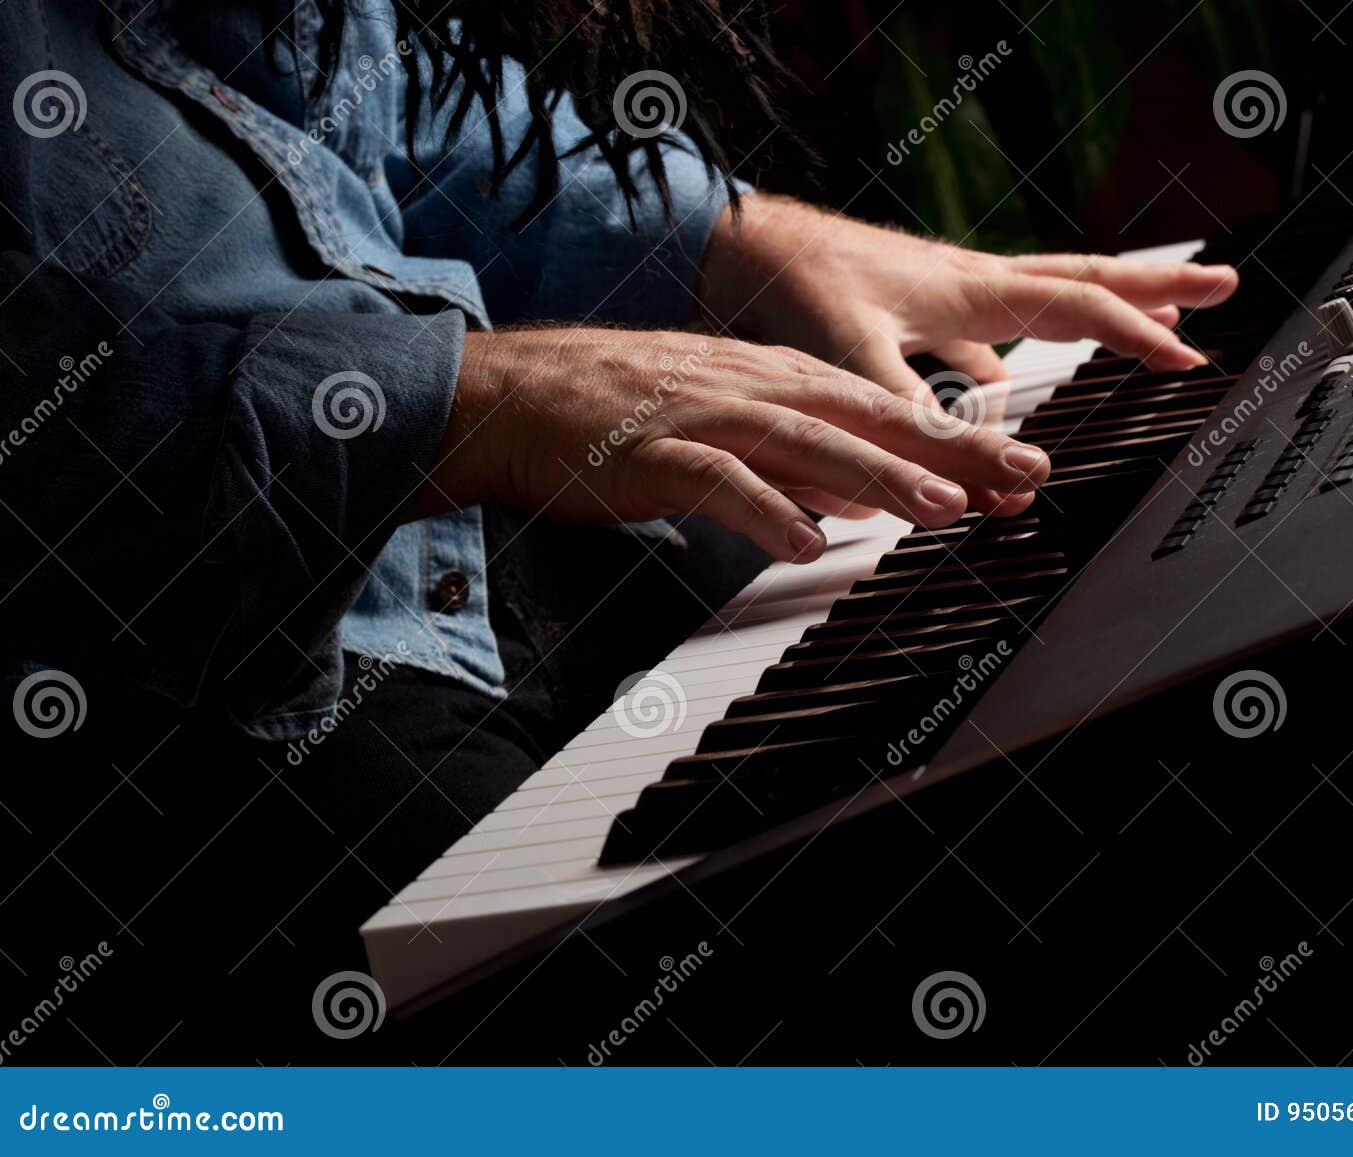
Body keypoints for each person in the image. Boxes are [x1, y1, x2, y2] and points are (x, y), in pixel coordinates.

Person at [0, 0, 1237, 1060]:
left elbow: (352, 105)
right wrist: (447, 400)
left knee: (1026, 695)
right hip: (190, 675)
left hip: (473, 509)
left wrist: (733, 240)